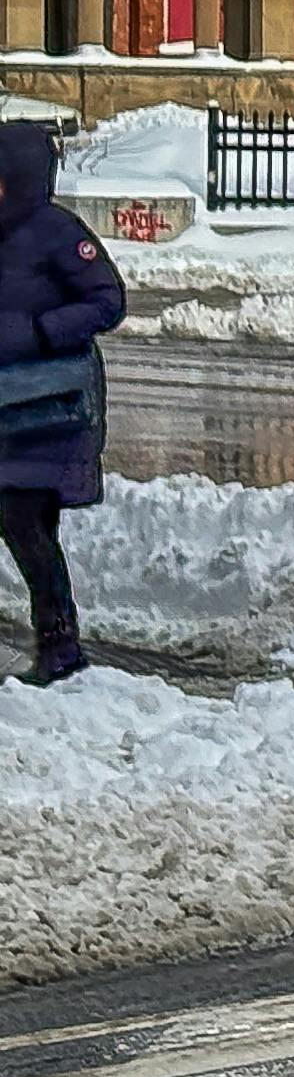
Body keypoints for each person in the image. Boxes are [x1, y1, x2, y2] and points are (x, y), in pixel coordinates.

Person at [0, 123, 124, 685]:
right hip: (4, 410)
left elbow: (107, 299)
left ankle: (60, 646)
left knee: (26, 523)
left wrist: (38, 330)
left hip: (44, 413)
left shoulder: (58, 234)